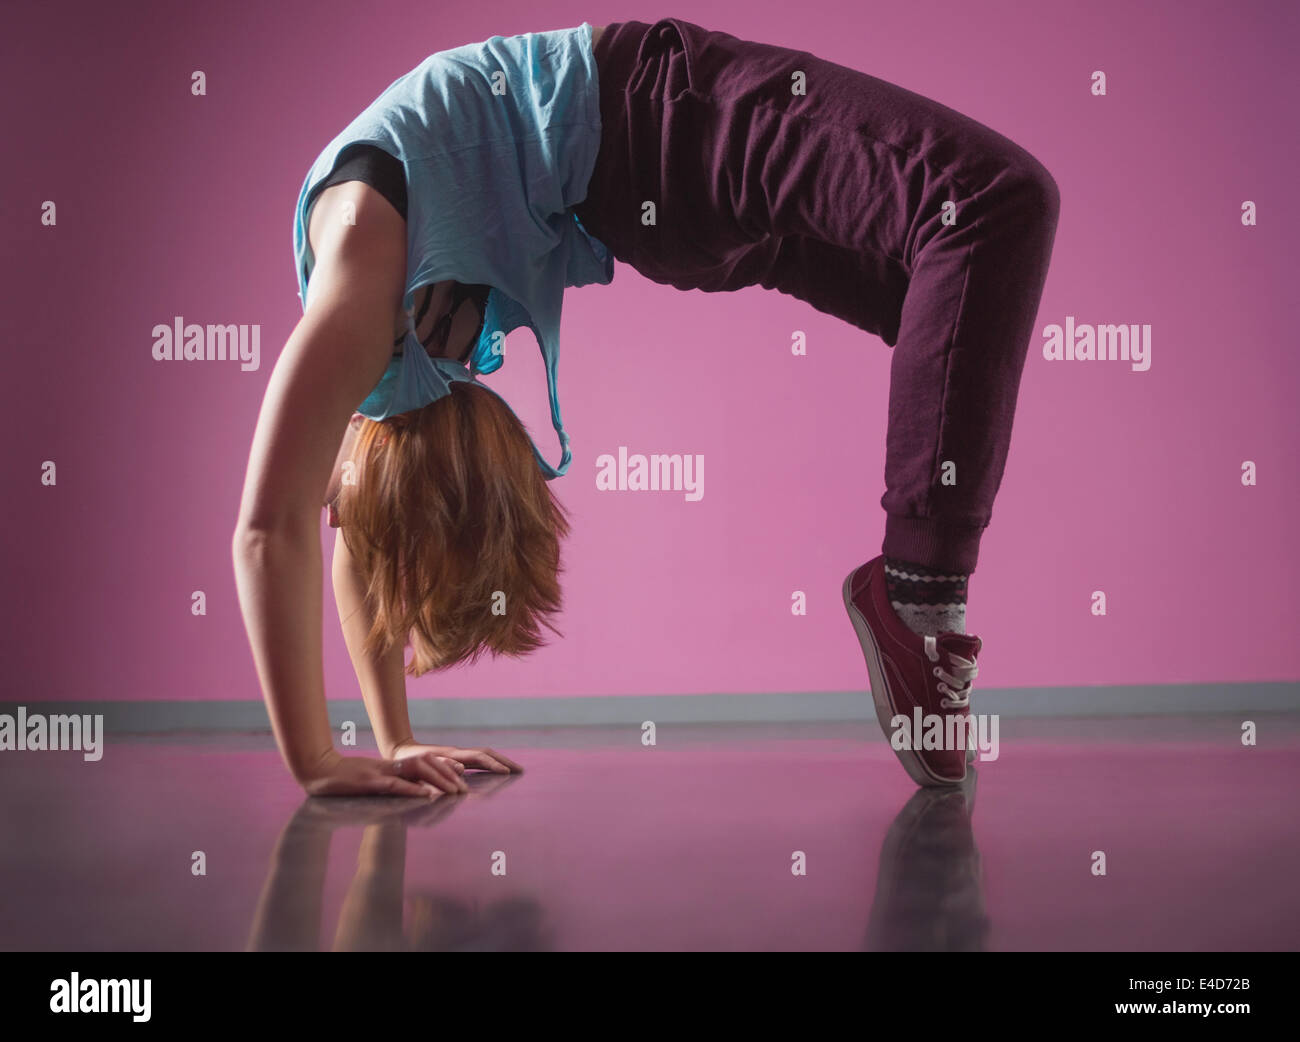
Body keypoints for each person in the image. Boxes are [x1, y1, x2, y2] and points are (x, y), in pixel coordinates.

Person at [232, 19, 1060, 797]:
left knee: (950, 306)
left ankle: (922, 590)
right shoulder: (377, 345)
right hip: (654, 127)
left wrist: (368, 748)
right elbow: (322, 538)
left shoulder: (361, 298)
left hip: (654, 208)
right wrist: (334, 755)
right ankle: (918, 597)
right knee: (991, 198)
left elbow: (317, 534)